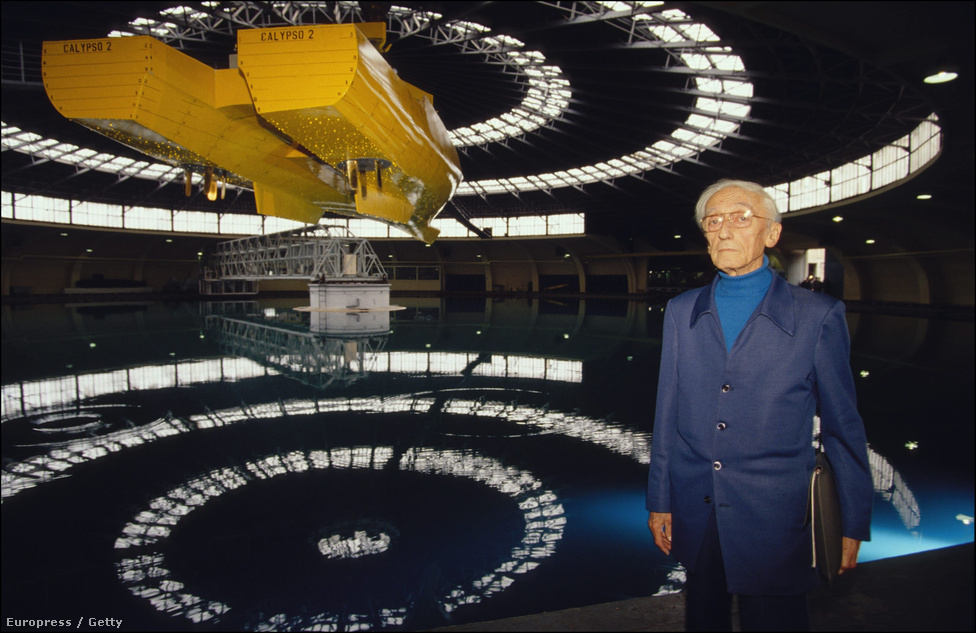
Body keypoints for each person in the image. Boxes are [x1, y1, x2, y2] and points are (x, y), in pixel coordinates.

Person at [645, 179, 873, 631]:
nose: (724, 230)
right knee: (704, 616)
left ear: (772, 234)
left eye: (740, 217)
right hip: (697, 505)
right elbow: (666, 413)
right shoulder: (680, 310)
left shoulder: (818, 317)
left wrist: (852, 518)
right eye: (714, 221)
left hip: (776, 513)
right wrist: (660, 499)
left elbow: (842, 424)